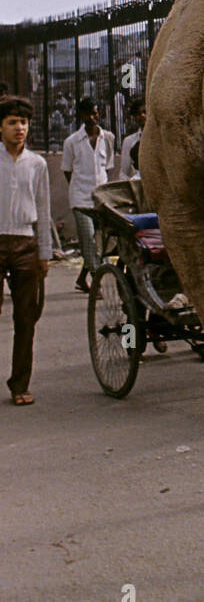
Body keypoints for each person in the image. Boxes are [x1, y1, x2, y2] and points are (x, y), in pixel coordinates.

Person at [0, 97, 52, 405]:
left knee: (25, 319)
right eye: (12, 122)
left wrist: (44, 253)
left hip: (25, 246)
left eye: (23, 123)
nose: (19, 128)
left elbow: (43, 211)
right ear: (0, 127)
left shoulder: (38, 164)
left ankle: (20, 385)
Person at [62, 97, 115, 293]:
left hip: (101, 199)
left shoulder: (108, 138)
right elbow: (67, 170)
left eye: (95, 113)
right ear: (81, 117)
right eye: (88, 114)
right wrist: (79, 188)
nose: (92, 118)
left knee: (100, 241)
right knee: (88, 238)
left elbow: (107, 166)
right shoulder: (72, 142)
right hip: (80, 199)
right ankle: (96, 281)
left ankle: (81, 278)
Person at [119, 97, 146, 180]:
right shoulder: (129, 141)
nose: (142, 115)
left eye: (145, 112)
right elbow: (123, 173)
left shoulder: (160, 138)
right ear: (134, 117)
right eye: (138, 114)